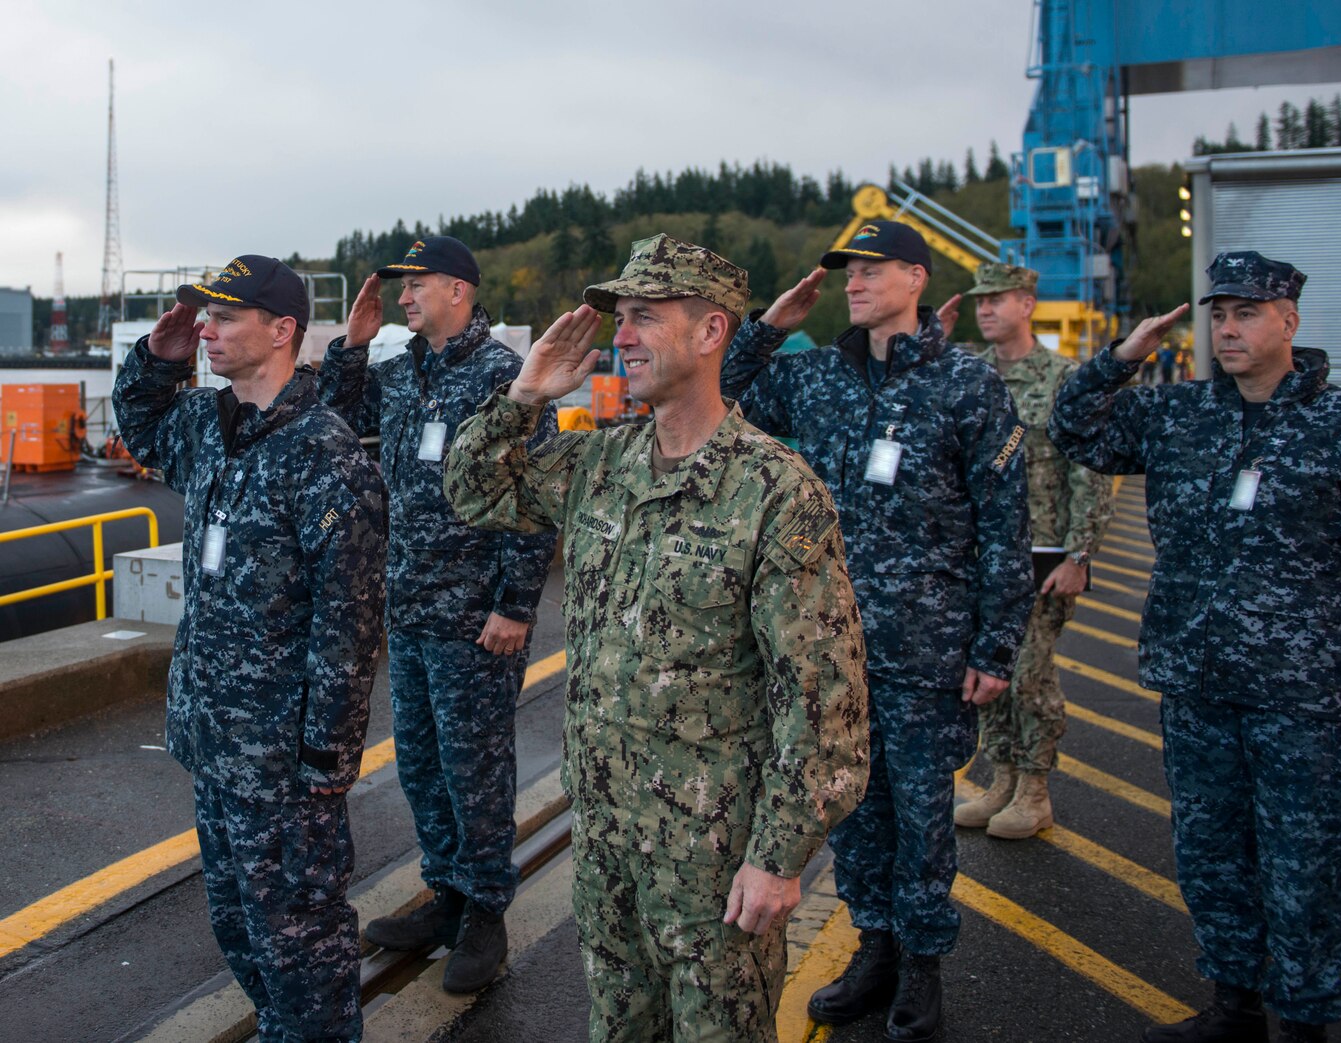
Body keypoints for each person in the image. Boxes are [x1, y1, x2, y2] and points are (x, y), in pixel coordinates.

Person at [443, 234, 870, 1043]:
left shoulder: (777, 491)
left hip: (715, 863)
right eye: (620, 317)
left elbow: (824, 705)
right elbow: (472, 490)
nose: (623, 335)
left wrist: (777, 857)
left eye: (644, 315)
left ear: (711, 332)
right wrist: (524, 394)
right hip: (606, 843)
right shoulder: (602, 463)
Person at [1047, 251, 1341, 1043]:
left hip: (1307, 697)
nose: (1227, 328)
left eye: (1246, 313)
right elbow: (1072, 427)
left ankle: (1305, 1022)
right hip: (1199, 685)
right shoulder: (1176, 413)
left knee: (1304, 870)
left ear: (1289, 320)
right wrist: (1124, 355)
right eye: (1218, 314)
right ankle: (1234, 1008)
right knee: (1210, 855)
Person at [721, 222, 1034, 1042]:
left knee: (922, 819)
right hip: (827, 645)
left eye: (871, 269)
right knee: (851, 809)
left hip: (927, 648)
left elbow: (1005, 522)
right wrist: (771, 325)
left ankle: (922, 963)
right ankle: (876, 948)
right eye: (847, 271)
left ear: (916, 278)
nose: (853, 282)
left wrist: (996, 644)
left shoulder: (966, 383)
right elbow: (716, 385)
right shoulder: (819, 376)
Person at [112, 256, 386, 1043]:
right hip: (214, 739)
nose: (207, 329)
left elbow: (350, 622)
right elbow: (141, 426)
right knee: (238, 924)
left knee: (302, 940)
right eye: (206, 316)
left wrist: (325, 763)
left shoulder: (324, 452)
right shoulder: (208, 424)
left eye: (226, 317)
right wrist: (158, 356)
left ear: (281, 330)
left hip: (283, 758)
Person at [318, 236, 557, 993]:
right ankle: (447, 893)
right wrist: (353, 346)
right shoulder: (399, 373)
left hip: (476, 617)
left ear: (458, 290)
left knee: (474, 769)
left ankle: (484, 909)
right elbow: (328, 418)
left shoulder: (506, 378)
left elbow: (536, 494)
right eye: (403, 286)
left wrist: (515, 604)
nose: (404, 296)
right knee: (422, 766)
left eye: (417, 284)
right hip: (411, 607)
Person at [935, 262, 1112, 839]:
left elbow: (1088, 470)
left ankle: (1035, 788)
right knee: (983, 673)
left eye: (998, 299)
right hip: (978, 551)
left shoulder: (1063, 378)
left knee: (1029, 674)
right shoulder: (969, 373)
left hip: (1042, 548)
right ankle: (1002, 777)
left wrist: (1079, 555)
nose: (985, 309)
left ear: (1028, 304)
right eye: (980, 301)